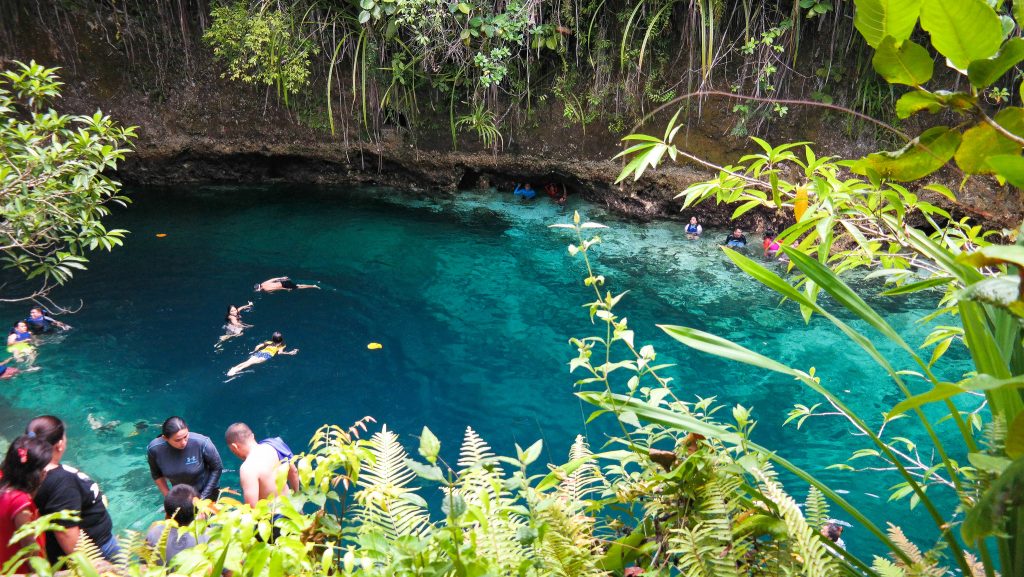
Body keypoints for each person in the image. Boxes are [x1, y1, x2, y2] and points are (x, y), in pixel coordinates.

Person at [26, 416, 119, 563]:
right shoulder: (60, 481)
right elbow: (65, 533)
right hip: (97, 550)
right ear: (60, 444)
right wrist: (91, 567)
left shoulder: (27, 468)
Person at [0, 436, 52, 573]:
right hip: (18, 572)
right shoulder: (20, 503)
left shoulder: (3, 482)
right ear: (38, 474)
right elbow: (31, 556)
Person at [147, 417, 223, 501]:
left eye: (186, 436)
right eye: (177, 440)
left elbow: (217, 468)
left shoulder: (202, 443)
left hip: (207, 491)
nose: (183, 442)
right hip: (180, 495)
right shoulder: (154, 449)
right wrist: (168, 497)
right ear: (165, 438)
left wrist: (202, 499)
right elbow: (156, 474)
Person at [224, 423, 299, 507]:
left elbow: (252, 507)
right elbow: (294, 472)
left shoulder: (247, 468)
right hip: (292, 507)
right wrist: (298, 504)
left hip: (274, 516)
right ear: (252, 436)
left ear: (235, 447)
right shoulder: (275, 444)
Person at [145, 485, 209, 566]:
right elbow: (227, 572)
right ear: (198, 512)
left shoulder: (153, 533)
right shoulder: (209, 537)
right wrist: (204, 526)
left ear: (166, 512)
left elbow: (144, 564)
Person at [226, 332, 298, 377]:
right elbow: (280, 352)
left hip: (261, 352)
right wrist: (289, 353)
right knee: (251, 362)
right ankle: (236, 370)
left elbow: (258, 346)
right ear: (281, 341)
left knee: (248, 361)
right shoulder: (282, 345)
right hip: (267, 355)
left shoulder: (269, 342)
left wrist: (253, 351)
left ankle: (234, 368)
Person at [254, 277, 319, 293]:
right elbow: (273, 279)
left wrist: (286, 289)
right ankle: (312, 285)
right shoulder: (264, 283)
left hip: (284, 286)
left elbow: (278, 288)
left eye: (257, 289)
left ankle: (313, 286)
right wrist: (282, 278)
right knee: (298, 284)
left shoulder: (266, 289)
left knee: (298, 287)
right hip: (283, 281)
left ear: (259, 288)